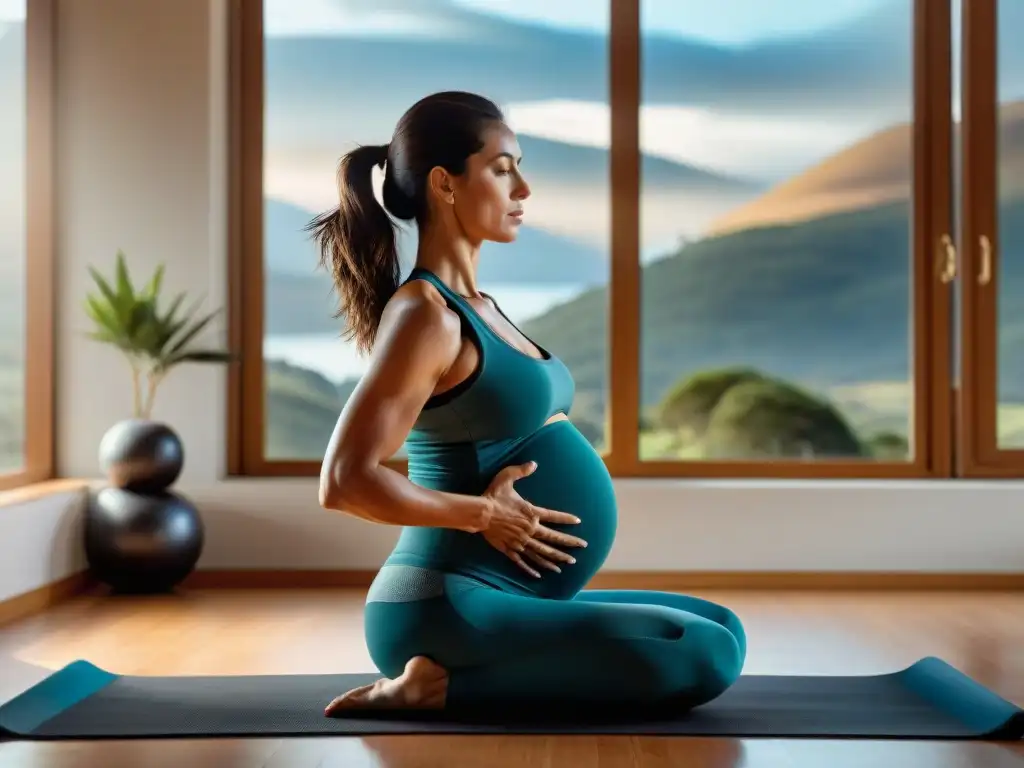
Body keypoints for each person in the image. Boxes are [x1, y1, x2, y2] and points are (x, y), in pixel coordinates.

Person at [311, 91, 746, 716]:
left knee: (720, 624)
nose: (524, 188)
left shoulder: (479, 307)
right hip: (445, 597)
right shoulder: (423, 316)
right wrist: (482, 516)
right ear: (446, 184)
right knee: (698, 651)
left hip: (513, 594)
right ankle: (431, 688)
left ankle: (466, 673)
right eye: (501, 167)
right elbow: (345, 481)